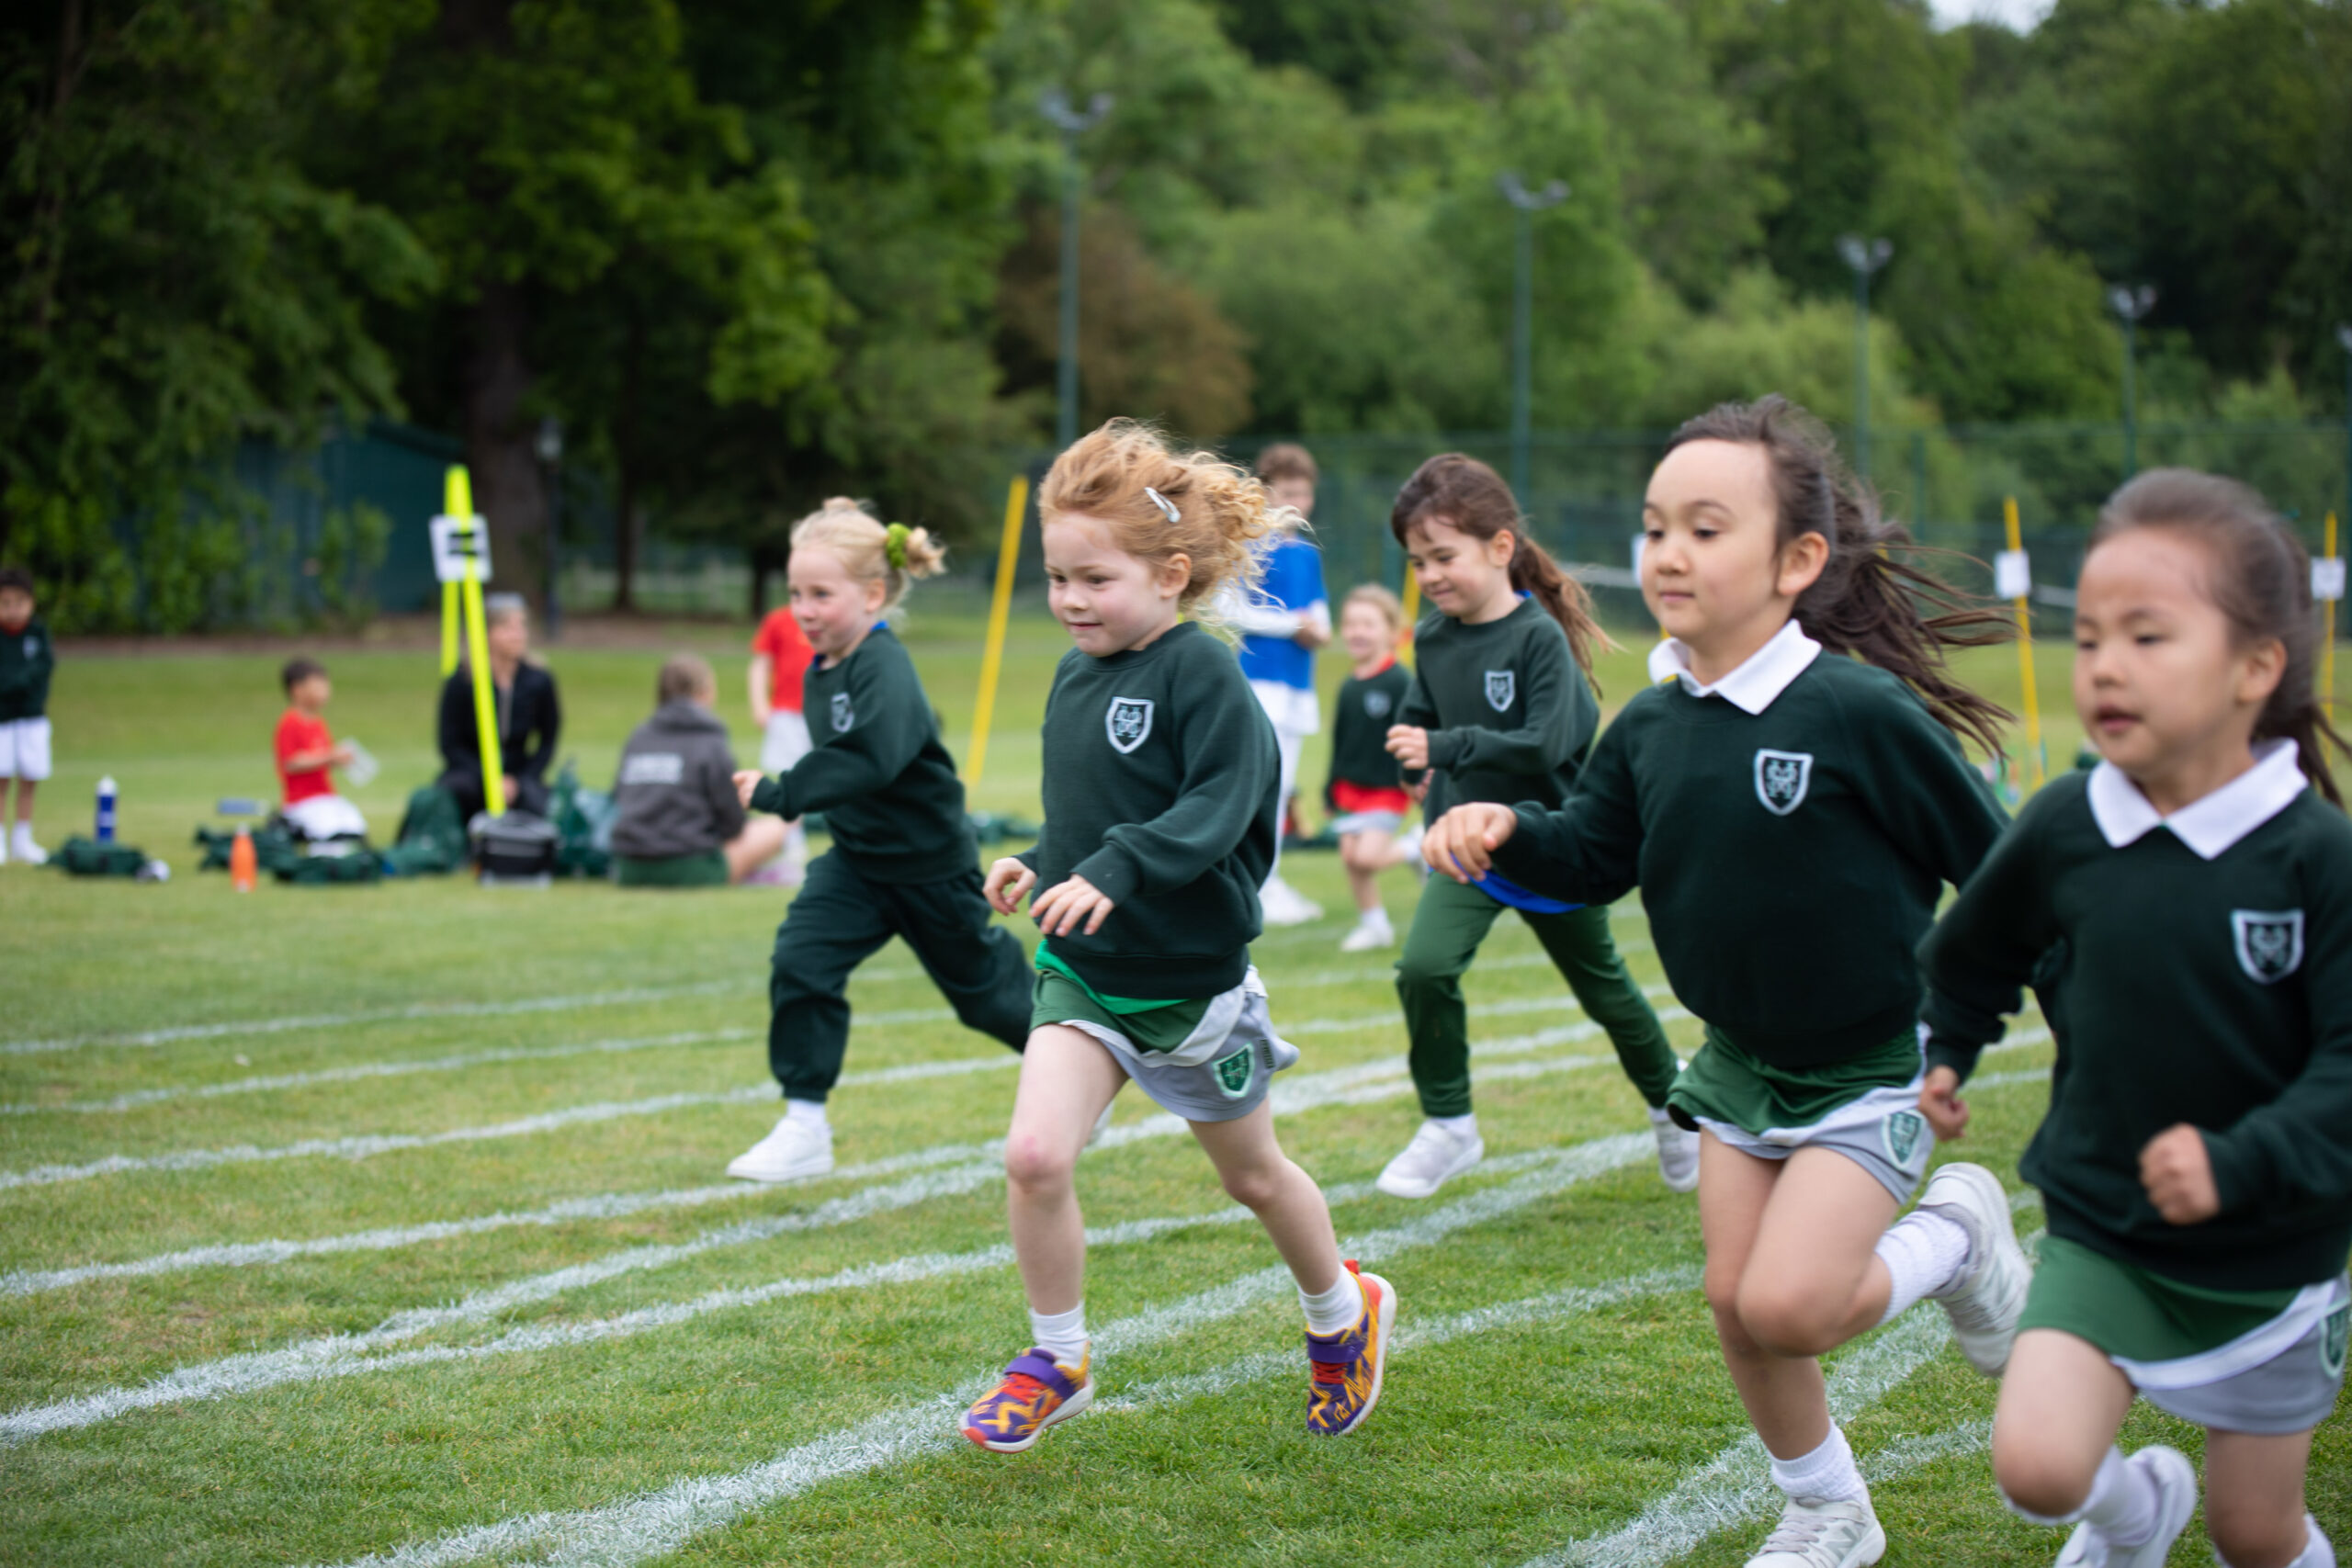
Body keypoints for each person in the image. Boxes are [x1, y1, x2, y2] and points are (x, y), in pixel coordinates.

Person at [1420, 397, 2030, 1568]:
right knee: (1735, 1300)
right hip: (1736, 1066)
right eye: (1656, 527)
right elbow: (1590, 856)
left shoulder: (1858, 711)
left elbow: (2002, 878)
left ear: (1797, 562)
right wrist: (1504, 828)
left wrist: (2034, 1020)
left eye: (1705, 529)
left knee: (1791, 1306)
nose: (1668, 553)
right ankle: (1827, 1511)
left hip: (1871, 1063)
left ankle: (1956, 1237)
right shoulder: (1651, 723)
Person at [1918, 469, 2352, 1568]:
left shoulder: (2315, 856)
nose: (2105, 665)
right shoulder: (2068, 820)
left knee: (2253, 1535)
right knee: (2036, 1468)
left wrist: (2240, 1162)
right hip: (2102, 1226)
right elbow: (1975, 951)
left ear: (2256, 668)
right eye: (2089, 639)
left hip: (2271, 1259)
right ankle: (2134, 1514)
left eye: (2147, 637)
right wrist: (1948, 1050)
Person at [962, 420, 1393, 1453]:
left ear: (1169, 575)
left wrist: (1113, 868)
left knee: (1253, 1178)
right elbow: (1089, 816)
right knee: (1033, 1155)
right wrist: (1041, 860)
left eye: (1094, 579)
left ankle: (1342, 1312)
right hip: (1086, 977)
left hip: (1193, 991)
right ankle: (1057, 1358)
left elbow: (1214, 809)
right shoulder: (1074, 675)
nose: (1071, 600)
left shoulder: (1203, 673)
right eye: (1057, 578)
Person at [1374, 454, 1692, 1201]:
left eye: (1443, 556)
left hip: (1551, 844)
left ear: (1500, 546)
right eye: (1417, 562)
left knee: (1608, 996)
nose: (1430, 575)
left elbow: (1547, 743)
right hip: (1466, 847)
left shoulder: (1538, 639)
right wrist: (1411, 753)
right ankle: (1449, 1122)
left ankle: (1673, 1108)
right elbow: (1422, 714)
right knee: (1423, 967)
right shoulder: (1434, 636)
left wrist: (1447, 746)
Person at [726, 499, 1033, 1182]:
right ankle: (805, 1123)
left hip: (929, 868)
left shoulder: (882, 664)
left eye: (820, 594)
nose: (803, 609)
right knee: (801, 960)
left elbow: (871, 757)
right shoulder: (821, 667)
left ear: (871, 595)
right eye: (795, 593)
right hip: (858, 865)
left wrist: (781, 792)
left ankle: (1074, 1080)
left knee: (987, 998)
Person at [1232, 441, 1331, 926]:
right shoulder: (1250, 545)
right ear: (1265, 493)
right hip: (1260, 683)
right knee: (1258, 789)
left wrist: (1320, 629)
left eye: (1303, 493)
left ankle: (1267, 882)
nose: (1296, 503)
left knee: (1284, 786)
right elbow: (1228, 609)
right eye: (1287, 492)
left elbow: (1319, 611)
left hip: (1297, 686)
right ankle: (1254, 886)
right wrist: (1294, 625)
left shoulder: (1306, 553)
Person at [611, 654, 789, 887]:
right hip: (690, 866)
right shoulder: (709, 740)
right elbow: (733, 821)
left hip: (629, 867)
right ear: (704, 692)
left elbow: (616, 798)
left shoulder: (638, 737)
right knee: (778, 827)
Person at [1324, 584, 1418, 953]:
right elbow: (1340, 740)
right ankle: (1374, 925)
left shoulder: (1399, 681)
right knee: (1351, 859)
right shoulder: (1348, 685)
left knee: (1368, 857)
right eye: (1350, 624)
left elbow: (1413, 735)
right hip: (1350, 789)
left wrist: (1413, 778)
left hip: (1387, 789)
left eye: (1368, 624)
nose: (1357, 632)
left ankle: (1416, 847)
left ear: (1392, 632)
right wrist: (1330, 789)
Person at [435, 592, 560, 819]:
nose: (517, 635)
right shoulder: (463, 681)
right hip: (471, 773)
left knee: (546, 803)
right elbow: (450, 745)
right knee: (451, 794)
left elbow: (548, 740)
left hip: (519, 774)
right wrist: (490, 779)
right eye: (507, 628)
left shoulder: (538, 680)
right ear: (486, 632)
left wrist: (520, 780)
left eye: (521, 626)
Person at [748, 592, 816, 883]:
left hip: (820, 712)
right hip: (787, 713)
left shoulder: (828, 621)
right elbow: (760, 663)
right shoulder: (778, 620)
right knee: (790, 781)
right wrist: (759, 704)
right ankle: (792, 841)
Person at [274, 658, 368, 840]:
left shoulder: (318, 723)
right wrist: (330, 756)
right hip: (302, 801)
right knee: (330, 832)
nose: (326, 692)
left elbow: (322, 758)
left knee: (355, 825)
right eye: (318, 687)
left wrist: (339, 760)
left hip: (326, 796)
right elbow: (291, 762)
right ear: (297, 689)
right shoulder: (290, 723)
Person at [0, 568, 53, 866]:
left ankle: (23, 838)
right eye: (5, 603)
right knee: (1, 779)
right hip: (2, 720)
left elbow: (42, 669)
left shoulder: (37, 633)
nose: (12, 610)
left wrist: (17, 683)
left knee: (29, 778)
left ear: (31, 603)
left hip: (31, 719)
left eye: (19, 602)